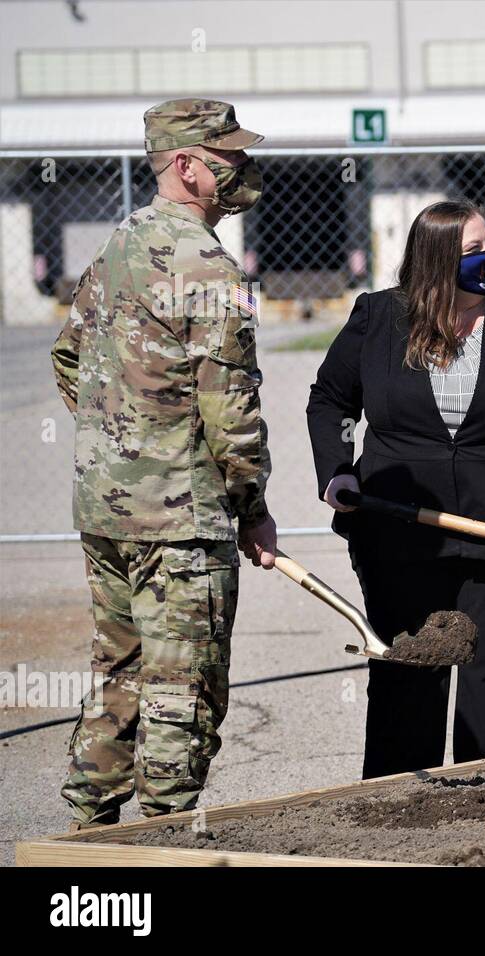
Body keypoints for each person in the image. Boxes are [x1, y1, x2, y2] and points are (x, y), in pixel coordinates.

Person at [50, 98, 277, 829]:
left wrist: (122, 442)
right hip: (181, 521)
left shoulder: (120, 243)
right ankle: (165, 845)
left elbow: (68, 356)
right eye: (228, 158)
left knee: (117, 677)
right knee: (183, 692)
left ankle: (86, 837)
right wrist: (251, 508)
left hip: (107, 511)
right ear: (187, 166)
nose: (243, 169)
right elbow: (230, 412)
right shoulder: (210, 266)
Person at [307, 200, 485, 777]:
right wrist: (337, 468)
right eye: (472, 251)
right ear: (433, 261)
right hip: (399, 530)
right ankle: (399, 814)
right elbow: (331, 398)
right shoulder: (380, 316)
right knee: (408, 678)